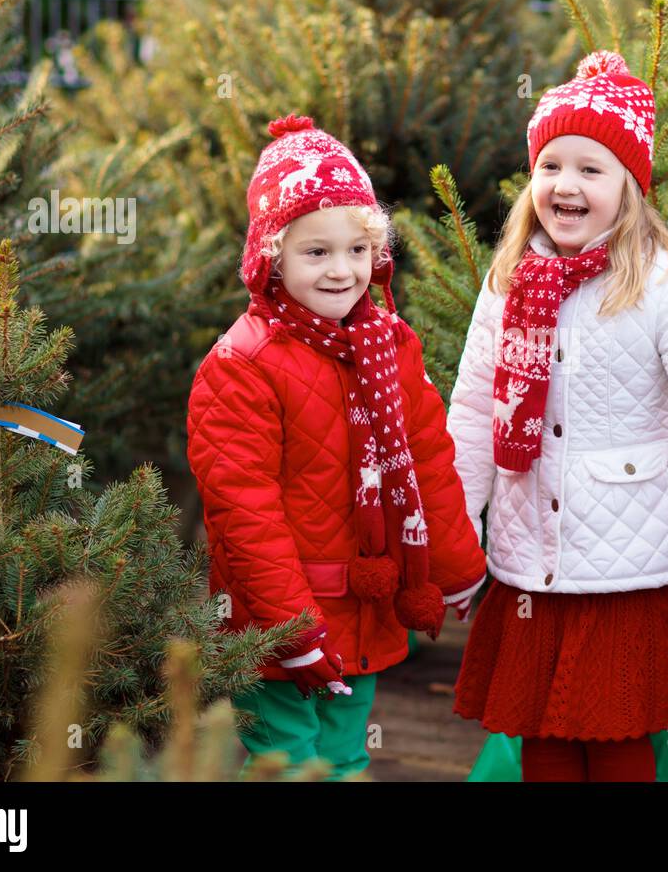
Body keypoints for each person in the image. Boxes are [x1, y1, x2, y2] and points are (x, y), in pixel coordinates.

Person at [446, 52, 668, 782]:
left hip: (629, 562)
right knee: (541, 733)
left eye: (591, 169)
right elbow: (476, 407)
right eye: (550, 166)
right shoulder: (508, 281)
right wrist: (456, 539)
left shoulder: (664, 283)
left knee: (614, 737)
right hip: (533, 560)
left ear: (630, 187)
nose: (566, 185)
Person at [187, 114, 485, 779]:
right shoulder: (243, 365)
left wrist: (458, 566)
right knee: (287, 759)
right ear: (272, 257)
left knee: (347, 756)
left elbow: (429, 459)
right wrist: (290, 629)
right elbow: (245, 514)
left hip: (368, 610)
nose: (340, 271)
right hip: (277, 619)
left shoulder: (389, 345)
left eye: (355, 251)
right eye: (315, 252)